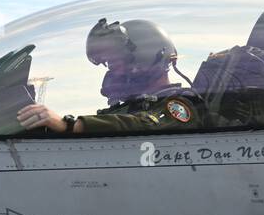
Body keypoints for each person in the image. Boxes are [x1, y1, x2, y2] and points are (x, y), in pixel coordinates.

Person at [17, 18, 204, 134]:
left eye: (115, 63)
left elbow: (144, 125)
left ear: (145, 59)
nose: (112, 72)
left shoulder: (181, 104)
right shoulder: (128, 108)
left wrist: (70, 126)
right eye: (109, 64)